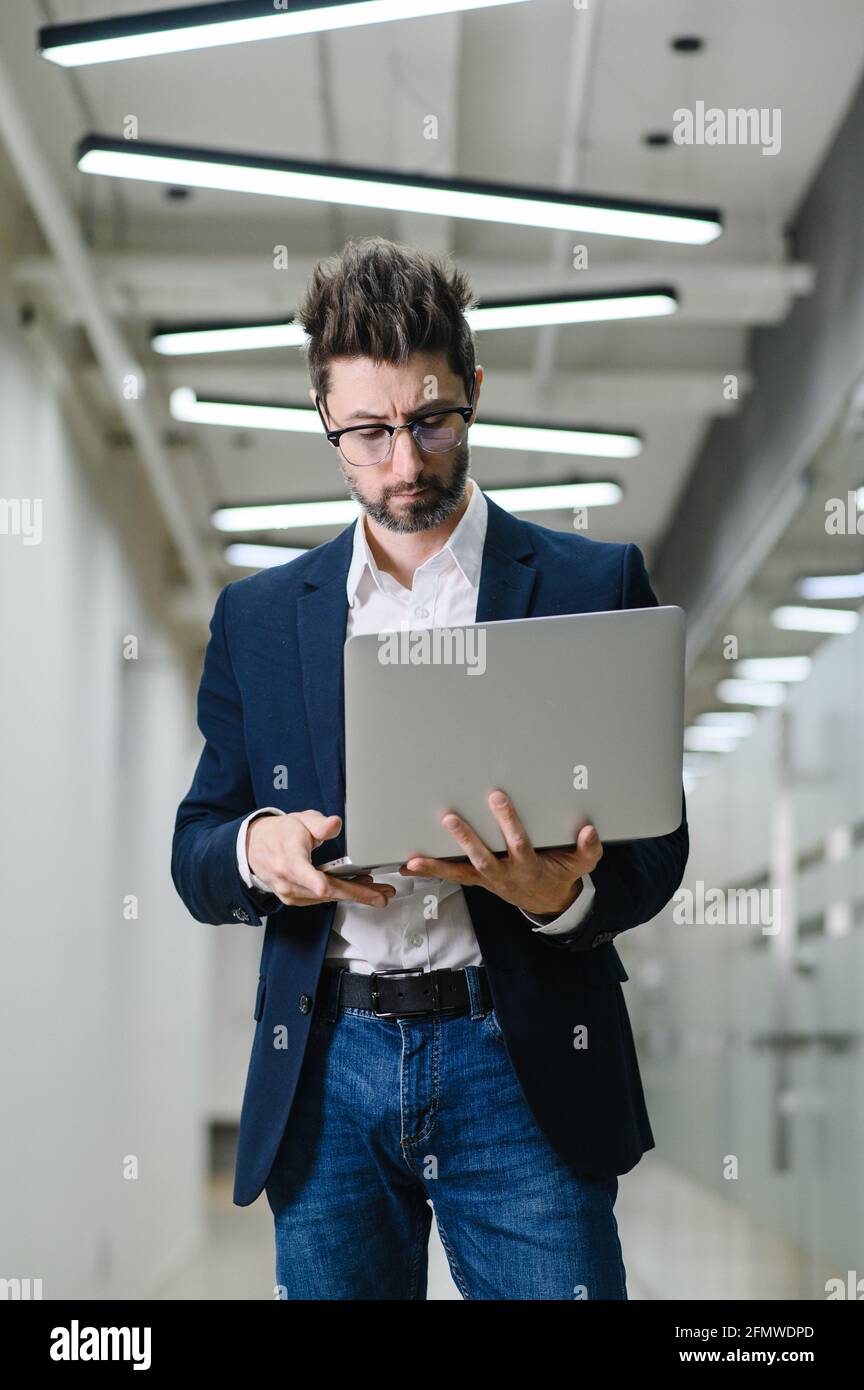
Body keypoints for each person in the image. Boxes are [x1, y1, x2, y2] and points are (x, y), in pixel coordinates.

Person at [171, 236, 689, 1301]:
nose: (404, 464)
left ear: (476, 392)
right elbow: (195, 851)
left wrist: (565, 897)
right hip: (328, 1061)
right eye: (366, 432)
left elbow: (661, 844)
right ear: (324, 417)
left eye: (430, 420)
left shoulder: (594, 583)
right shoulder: (260, 621)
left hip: (522, 1057)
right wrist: (259, 850)